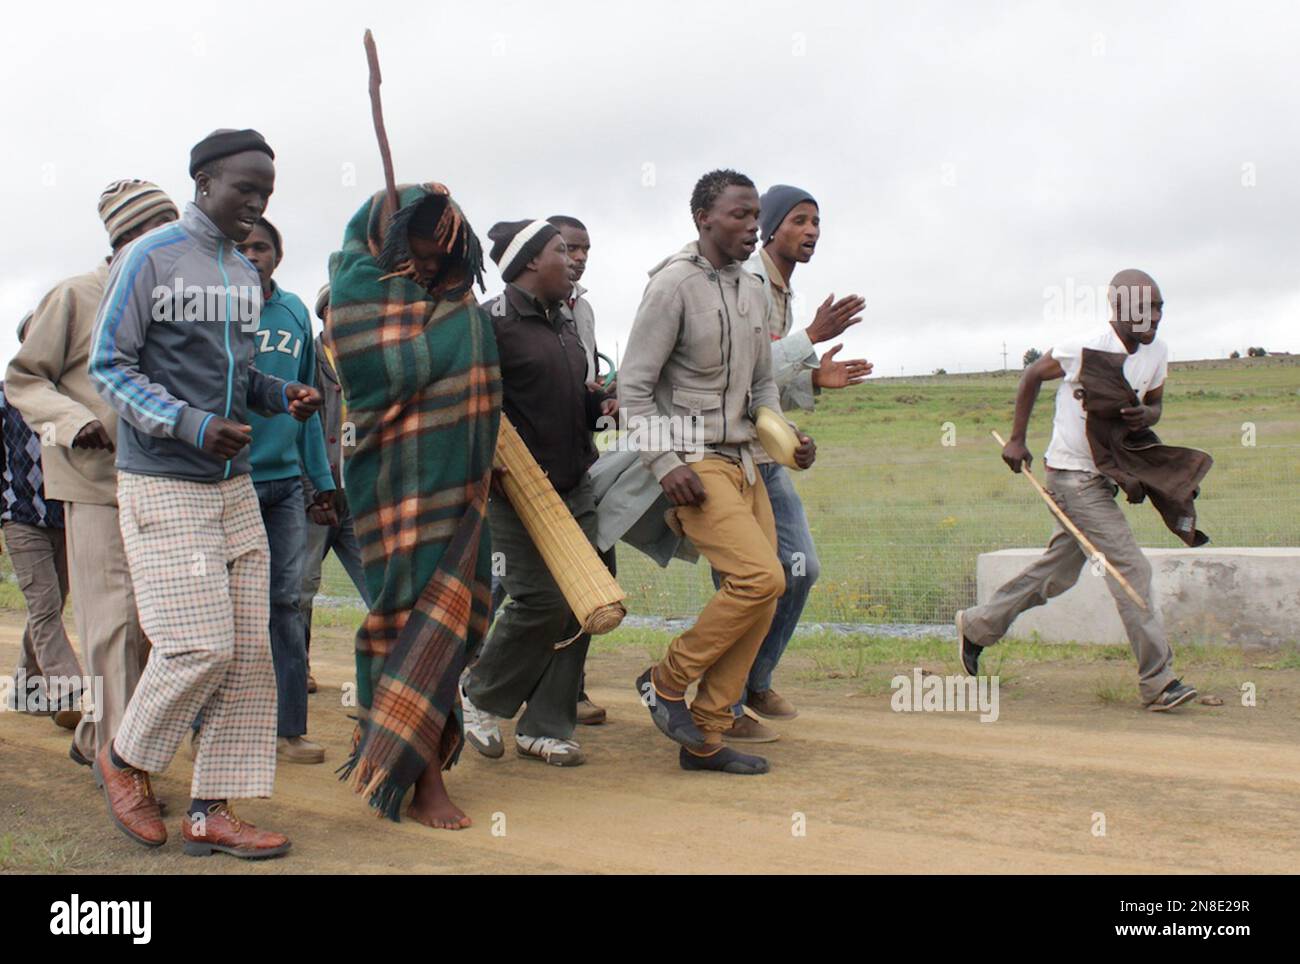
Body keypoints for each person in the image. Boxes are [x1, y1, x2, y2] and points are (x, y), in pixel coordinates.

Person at [88, 129, 322, 859]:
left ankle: (208, 811)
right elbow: (110, 366)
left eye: (266, 195)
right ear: (204, 181)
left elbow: (240, 377)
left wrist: (281, 393)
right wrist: (190, 426)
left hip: (235, 487)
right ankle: (125, 761)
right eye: (243, 189)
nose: (255, 205)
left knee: (248, 652)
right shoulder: (149, 257)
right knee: (197, 645)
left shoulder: (242, 276)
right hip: (164, 482)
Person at [619, 169, 817, 775]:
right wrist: (665, 463)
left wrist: (788, 442)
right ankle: (666, 678)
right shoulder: (672, 287)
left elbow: (761, 385)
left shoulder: (751, 290)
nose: (750, 225)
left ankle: (704, 734)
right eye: (738, 214)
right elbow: (633, 389)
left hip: (747, 462)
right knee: (758, 578)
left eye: (755, 214)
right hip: (694, 463)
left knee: (770, 586)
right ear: (703, 218)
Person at [327, 182, 500, 830]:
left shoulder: (462, 311)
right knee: (409, 622)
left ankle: (400, 751)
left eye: (437, 259)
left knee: (445, 629)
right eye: (416, 257)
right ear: (386, 246)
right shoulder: (356, 296)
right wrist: (408, 295)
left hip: (458, 496)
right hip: (395, 491)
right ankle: (418, 778)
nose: (428, 269)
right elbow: (376, 378)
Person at [956, 269, 1199, 711]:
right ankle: (1159, 682)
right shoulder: (1085, 346)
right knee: (1131, 569)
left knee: (1057, 573)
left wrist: (1149, 415)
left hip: (1108, 474)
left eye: (1161, 306)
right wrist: (1016, 440)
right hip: (1070, 476)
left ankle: (977, 626)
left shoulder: (1157, 352)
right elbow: (1031, 375)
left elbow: (1157, 403)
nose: (1157, 316)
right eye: (1148, 308)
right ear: (1120, 310)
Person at [6, 178, 178, 766]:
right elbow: (25, 378)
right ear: (125, 238)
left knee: (162, 625)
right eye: (159, 232)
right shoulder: (75, 295)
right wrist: (73, 421)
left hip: (165, 482)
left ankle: (96, 737)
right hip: (95, 483)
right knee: (114, 622)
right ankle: (115, 756)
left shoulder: (172, 302)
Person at [458, 219, 613, 768]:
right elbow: (470, 406)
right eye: (560, 250)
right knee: (539, 599)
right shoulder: (489, 325)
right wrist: (486, 468)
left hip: (576, 482)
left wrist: (600, 406)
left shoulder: (567, 322)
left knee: (583, 601)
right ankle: (478, 694)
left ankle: (544, 726)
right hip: (517, 490)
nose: (573, 260)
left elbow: (571, 398)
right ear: (528, 262)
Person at [723, 184, 871, 743]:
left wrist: (813, 379)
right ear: (771, 227)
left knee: (800, 568)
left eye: (817, 223)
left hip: (766, 456)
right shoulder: (750, 284)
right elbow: (741, 367)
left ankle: (754, 680)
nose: (811, 232)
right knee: (746, 581)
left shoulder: (781, 290)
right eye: (800, 221)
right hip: (728, 457)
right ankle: (723, 704)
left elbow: (767, 383)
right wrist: (812, 337)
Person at [235, 217, 336, 764]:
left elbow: (308, 405)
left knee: (287, 605)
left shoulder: (295, 310)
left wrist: (320, 482)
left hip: (285, 486)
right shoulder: (212, 308)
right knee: (228, 607)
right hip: (230, 481)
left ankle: (289, 729)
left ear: (277, 255)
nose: (252, 255)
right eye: (242, 246)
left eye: (261, 247)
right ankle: (212, 725)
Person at [547, 213, 610, 726]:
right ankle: (476, 675)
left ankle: (572, 689)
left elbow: (585, 379)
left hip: (581, 456)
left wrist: (602, 401)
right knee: (525, 588)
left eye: (586, 248)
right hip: (530, 470)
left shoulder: (582, 310)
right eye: (570, 247)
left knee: (593, 574)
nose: (580, 257)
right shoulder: (509, 314)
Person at [298, 285, 372, 692]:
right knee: (301, 586)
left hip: (359, 495)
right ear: (324, 313)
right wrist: (311, 488)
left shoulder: (368, 363)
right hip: (314, 492)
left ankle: (384, 673)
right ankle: (297, 668)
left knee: (378, 582)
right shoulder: (305, 359)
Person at [1, 365, 79, 729]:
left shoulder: (66, 397)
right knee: (45, 605)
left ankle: (25, 690)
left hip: (63, 514)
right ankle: (71, 694)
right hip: (19, 516)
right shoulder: (6, 396)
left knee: (50, 603)